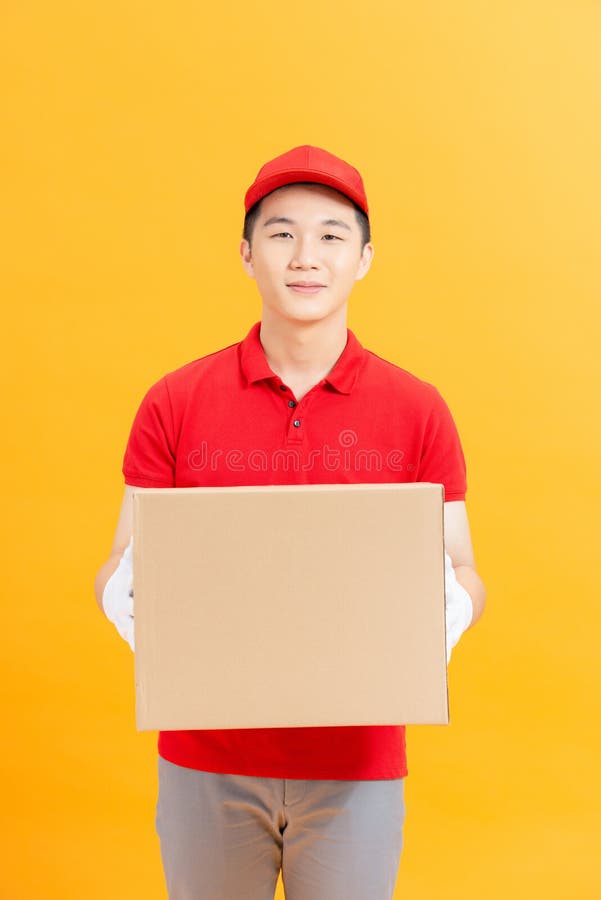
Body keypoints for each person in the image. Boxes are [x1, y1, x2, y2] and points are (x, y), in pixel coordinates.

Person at [94, 144, 486, 900]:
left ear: (364, 258)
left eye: (331, 236)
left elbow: (463, 566)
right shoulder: (175, 401)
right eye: (281, 234)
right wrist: (122, 592)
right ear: (247, 254)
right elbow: (124, 557)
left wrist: (451, 608)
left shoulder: (417, 408)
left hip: (357, 762)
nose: (306, 256)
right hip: (205, 756)